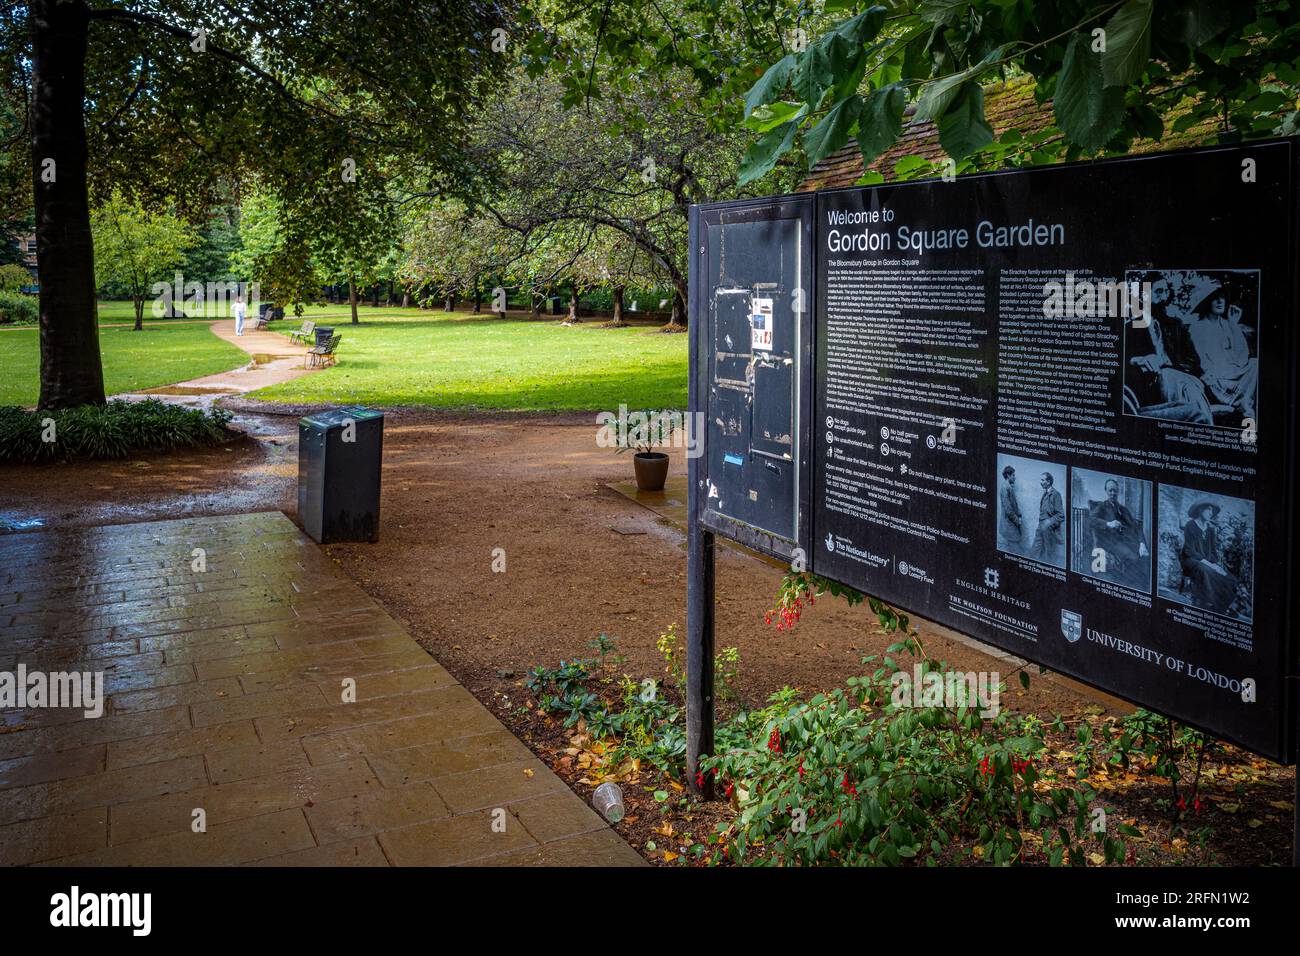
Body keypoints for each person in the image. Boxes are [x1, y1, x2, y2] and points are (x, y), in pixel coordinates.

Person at [1188, 290, 1257, 421]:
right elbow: (1203, 362)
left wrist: (1233, 325)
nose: (1220, 301)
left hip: (1235, 374)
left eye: (1222, 297)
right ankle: (1243, 404)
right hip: (1218, 378)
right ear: (1207, 302)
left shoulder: (1227, 324)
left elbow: (1243, 358)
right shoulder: (1197, 327)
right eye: (1215, 298)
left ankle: (1244, 403)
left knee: (1255, 363)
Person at [1087, 478, 1150, 590]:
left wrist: (1142, 543)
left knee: (1145, 555)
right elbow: (1091, 520)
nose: (1113, 493)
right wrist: (1108, 523)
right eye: (1110, 490)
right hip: (1111, 542)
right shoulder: (1102, 506)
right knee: (1133, 558)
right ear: (1106, 491)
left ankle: (1140, 585)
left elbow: (1136, 526)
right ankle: (1127, 587)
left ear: (1118, 492)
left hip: (1127, 540)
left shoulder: (1123, 509)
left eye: (1115, 491)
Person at [1179, 501, 1239, 615]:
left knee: (1228, 576)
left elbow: (1212, 552)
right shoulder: (1190, 526)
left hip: (1206, 562)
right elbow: (1189, 550)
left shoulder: (1211, 530)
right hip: (1190, 560)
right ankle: (1215, 604)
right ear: (1201, 510)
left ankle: (1223, 605)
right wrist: (1209, 564)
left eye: (1212, 511)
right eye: (1208, 509)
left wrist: (1216, 565)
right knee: (1205, 569)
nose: (1211, 513)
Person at [1031, 472, 1065, 566]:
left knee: (1049, 556)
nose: (1040, 482)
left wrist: (1048, 522)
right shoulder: (1045, 493)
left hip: (1049, 530)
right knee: (1034, 552)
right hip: (1040, 528)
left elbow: (1060, 515)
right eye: (1040, 480)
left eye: (1042, 480)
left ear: (1049, 481)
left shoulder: (1056, 494)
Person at [997, 465, 1023, 552]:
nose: (1014, 478)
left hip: (1010, 522)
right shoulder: (1005, 488)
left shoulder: (1008, 486)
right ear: (1008, 475)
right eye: (1013, 475)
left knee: (1013, 545)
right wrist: (1017, 520)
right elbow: (1008, 510)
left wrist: (1019, 515)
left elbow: (1013, 504)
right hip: (1009, 523)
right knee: (1015, 548)